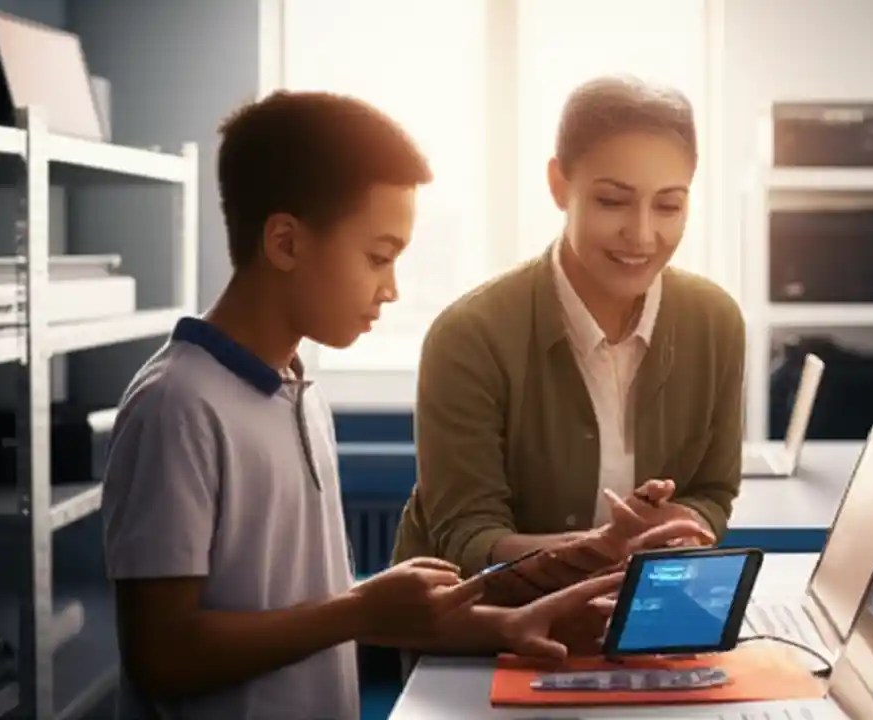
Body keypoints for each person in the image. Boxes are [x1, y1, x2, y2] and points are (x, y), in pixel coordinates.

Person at [99, 91, 648, 720]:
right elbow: (163, 656)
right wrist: (361, 609)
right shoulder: (177, 406)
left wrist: (507, 623)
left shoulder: (299, 394)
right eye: (378, 257)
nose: (390, 288)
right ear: (285, 242)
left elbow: (311, 617)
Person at [392, 75, 747, 578]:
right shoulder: (469, 335)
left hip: (633, 618)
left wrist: (678, 524)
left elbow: (713, 492)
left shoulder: (715, 323)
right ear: (560, 186)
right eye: (612, 201)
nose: (643, 235)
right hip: (479, 626)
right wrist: (597, 550)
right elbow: (467, 536)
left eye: (669, 205)